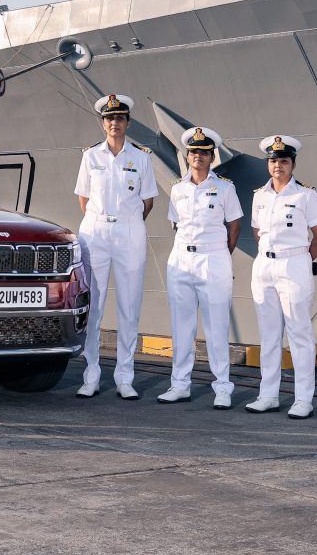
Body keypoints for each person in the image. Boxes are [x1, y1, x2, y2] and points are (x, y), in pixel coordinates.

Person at [72, 93, 158, 399]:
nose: (114, 123)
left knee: (129, 306)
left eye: (120, 118)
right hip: (96, 233)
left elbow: (147, 202)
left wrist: (124, 221)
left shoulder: (141, 158)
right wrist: (105, 222)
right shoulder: (90, 157)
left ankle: (125, 376)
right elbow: (84, 199)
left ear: (128, 123)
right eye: (109, 118)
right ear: (103, 123)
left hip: (129, 232)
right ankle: (91, 374)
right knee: (93, 305)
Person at [158, 126, 241, 409]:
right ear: (188, 155)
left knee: (217, 327)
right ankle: (179, 384)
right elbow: (177, 224)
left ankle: (223, 387)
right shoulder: (178, 189)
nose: (198, 157)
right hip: (181, 260)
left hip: (213, 259)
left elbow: (234, 226)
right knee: (181, 326)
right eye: (194, 152)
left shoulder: (225, 188)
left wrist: (219, 254)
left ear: (212, 156)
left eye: (204, 152)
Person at [246, 135, 317, 418]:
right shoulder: (260, 195)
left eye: (283, 160)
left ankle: (303, 399)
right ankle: (268, 395)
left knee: (299, 333)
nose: (277, 165)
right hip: (264, 266)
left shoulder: (306, 195)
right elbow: (258, 232)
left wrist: (300, 261)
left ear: (293, 164)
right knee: (268, 334)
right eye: (273, 161)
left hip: (294, 265)